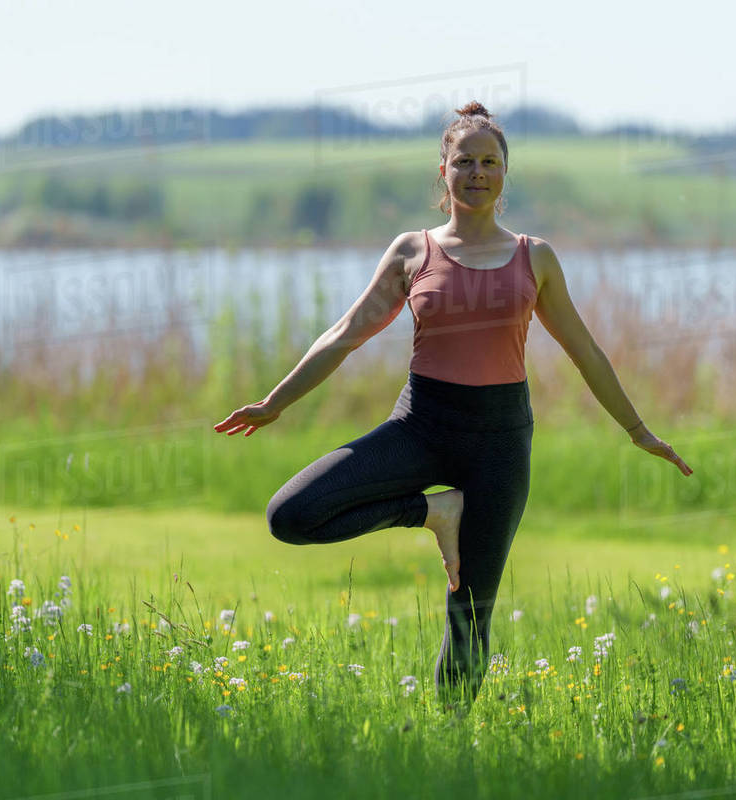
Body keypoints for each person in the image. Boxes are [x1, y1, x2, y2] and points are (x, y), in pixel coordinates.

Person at [213, 101, 693, 706]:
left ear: (505, 172)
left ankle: (450, 745)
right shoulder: (413, 251)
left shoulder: (534, 257)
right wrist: (273, 403)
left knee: (470, 612)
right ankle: (435, 512)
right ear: (443, 170)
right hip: (421, 425)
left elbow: (586, 351)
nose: (477, 172)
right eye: (464, 161)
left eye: (489, 162)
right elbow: (344, 334)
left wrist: (637, 429)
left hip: (499, 442)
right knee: (292, 515)